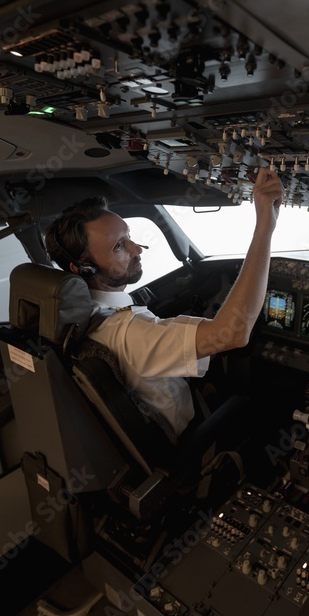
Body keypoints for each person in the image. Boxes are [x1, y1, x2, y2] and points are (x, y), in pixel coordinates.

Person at [44, 167, 283, 440]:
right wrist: (265, 226)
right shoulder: (127, 333)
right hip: (188, 444)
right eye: (119, 246)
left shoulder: (86, 317)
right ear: (83, 269)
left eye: (129, 236)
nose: (137, 249)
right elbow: (234, 332)